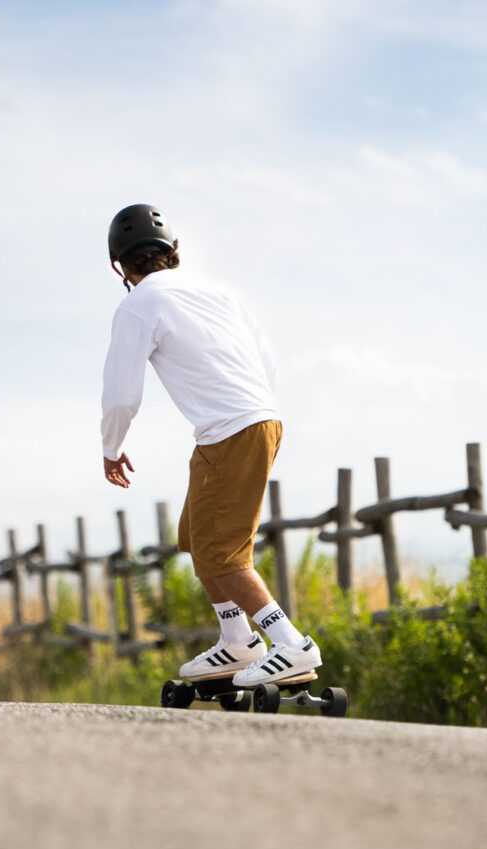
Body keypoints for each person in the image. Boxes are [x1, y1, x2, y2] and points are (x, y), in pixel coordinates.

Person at [99, 203, 321, 685]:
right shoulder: (220, 293)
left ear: (120, 267)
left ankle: (290, 644)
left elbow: (121, 393)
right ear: (173, 251)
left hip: (232, 428)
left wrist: (112, 447)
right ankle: (238, 640)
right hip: (255, 420)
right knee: (198, 540)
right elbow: (268, 363)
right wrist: (255, 416)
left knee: (223, 554)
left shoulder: (138, 304)